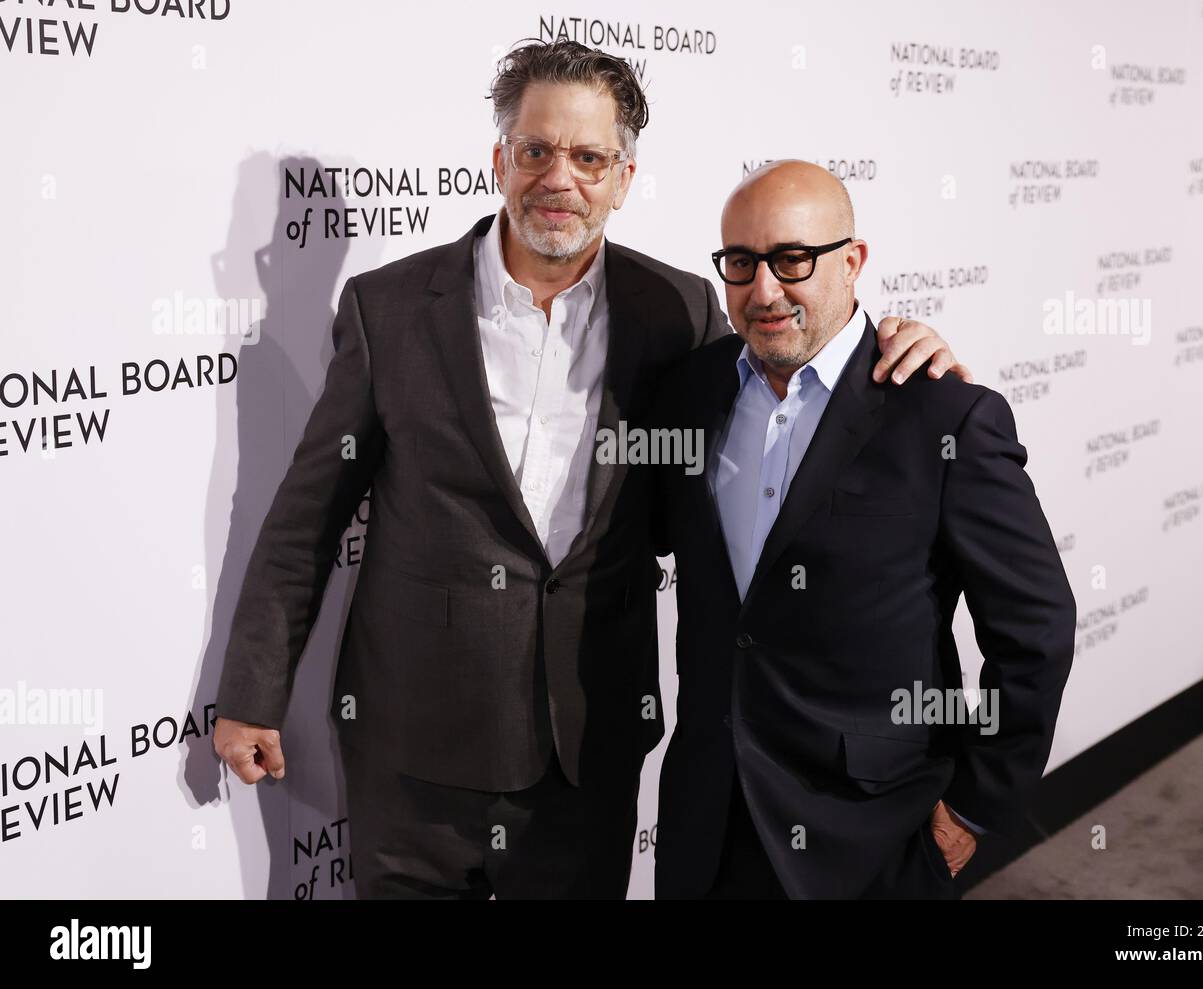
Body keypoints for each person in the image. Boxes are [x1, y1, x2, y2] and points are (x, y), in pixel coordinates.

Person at [213, 41, 967, 899]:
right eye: (535, 151)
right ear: (500, 160)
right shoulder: (389, 310)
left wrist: (901, 353)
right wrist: (251, 691)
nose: (558, 179)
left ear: (624, 176)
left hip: (588, 751)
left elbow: (793, 391)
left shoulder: (678, 310)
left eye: (588, 157)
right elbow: (306, 518)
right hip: (410, 751)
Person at [651, 160, 1076, 899]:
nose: (764, 291)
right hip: (707, 824)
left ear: (853, 262)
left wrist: (974, 808)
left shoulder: (943, 416)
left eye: (793, 259)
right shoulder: (694, 390)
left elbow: (1037, 626)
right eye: (741, 263)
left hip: (874, 838)